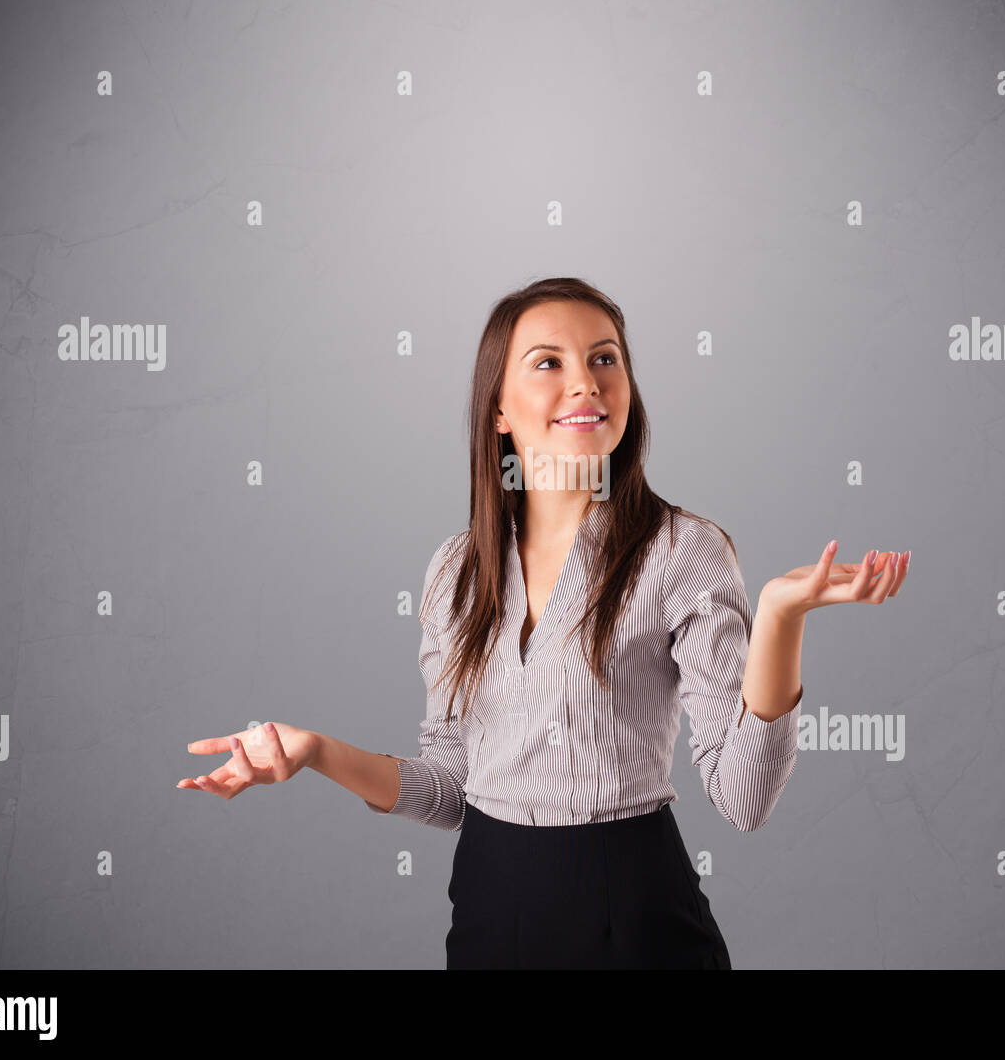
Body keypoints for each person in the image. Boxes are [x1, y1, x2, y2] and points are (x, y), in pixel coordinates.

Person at [177, 277, 909, 969]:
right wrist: (312, 751)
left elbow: (744, 799)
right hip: (492, 912)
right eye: (548, 362)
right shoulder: (455, 571)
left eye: (604, 359)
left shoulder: (685, 551)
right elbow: (451, 786)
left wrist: (781, 616)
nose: (586, 381)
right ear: (498, 408)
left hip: (637, 913)